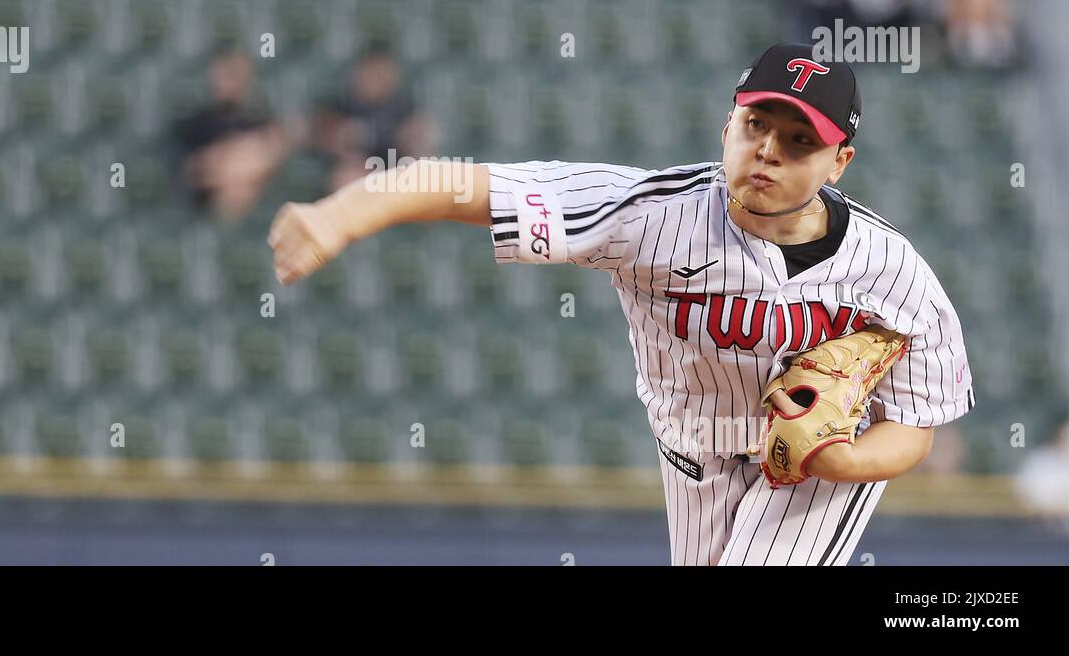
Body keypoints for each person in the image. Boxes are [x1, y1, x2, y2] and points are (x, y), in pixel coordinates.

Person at [268, 43, 974, 566]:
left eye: (799, 142)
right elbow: (476, 186)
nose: (767, 152)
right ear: (727, 123)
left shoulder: (893, 272)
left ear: (838, 162)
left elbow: (916, 424)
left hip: (814, 467)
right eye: (756, 125)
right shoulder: (647, 215)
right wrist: (345, 214)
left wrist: (843, 462)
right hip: (692, 449)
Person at [174, 46, 288, 222]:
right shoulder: (197, 124)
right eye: (228, 75)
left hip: (254, 202)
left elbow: (275, 154)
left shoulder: (258, 119)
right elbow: (191, 172)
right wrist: (232, 161)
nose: (232, 83)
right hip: (210, 205)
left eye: (237, 76)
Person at [311, 47, 431, 193]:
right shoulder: (344, 102)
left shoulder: (403, 105)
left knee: (421, 173)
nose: (376, 79)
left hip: (394, 166)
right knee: (349, 178)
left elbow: (421, 136)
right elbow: (319, 133)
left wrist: (411, 141)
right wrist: (342, 138)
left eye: (381, 73)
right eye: (371, 73)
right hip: (357, 165)